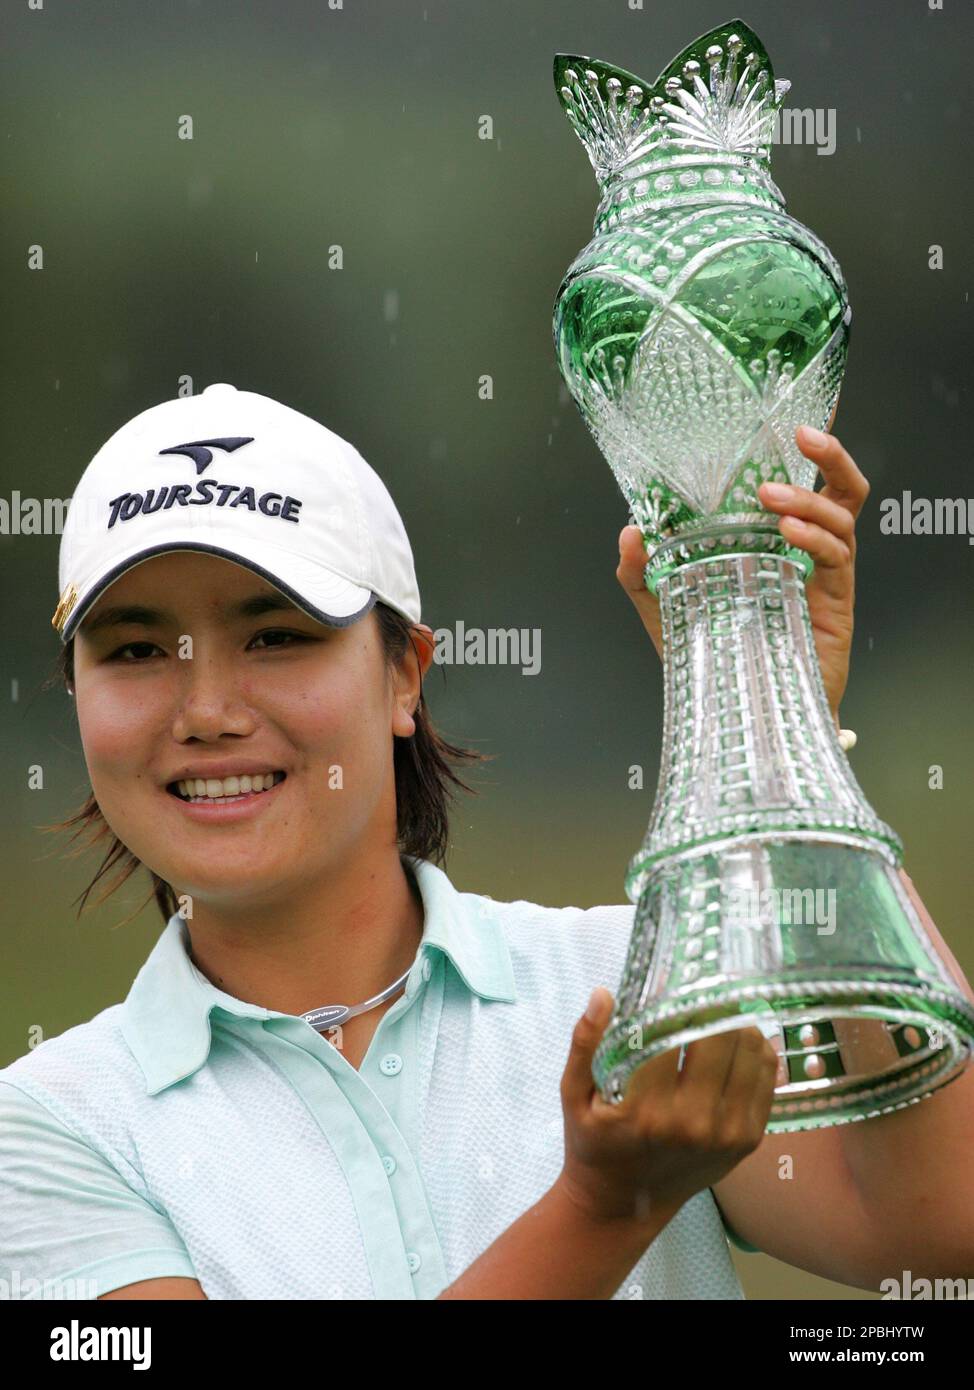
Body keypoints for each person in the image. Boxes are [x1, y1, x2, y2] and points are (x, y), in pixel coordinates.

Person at [2, 384, 972, 1301]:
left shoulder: (647, 982)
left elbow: (937, 1230)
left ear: (403, 678)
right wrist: (602, 1206)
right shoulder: (50, 1128)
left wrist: (778, 722)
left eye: (276, 636)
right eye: (133, 650)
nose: (206, 710)